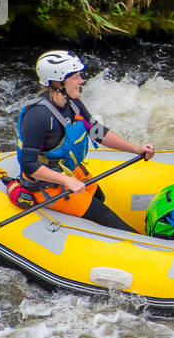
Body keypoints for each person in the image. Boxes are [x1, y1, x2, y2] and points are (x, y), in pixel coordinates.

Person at [16, 50, 154, 233]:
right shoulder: (38, 115)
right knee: (108, 218)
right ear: (58, 83)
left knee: (99, 196)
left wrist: (136, 148)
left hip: (68, 172)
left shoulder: (73, 104)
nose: (81, 81)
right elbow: (29, 165)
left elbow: (97, 132)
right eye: (75, 77)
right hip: (47, 184)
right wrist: (67, 181)